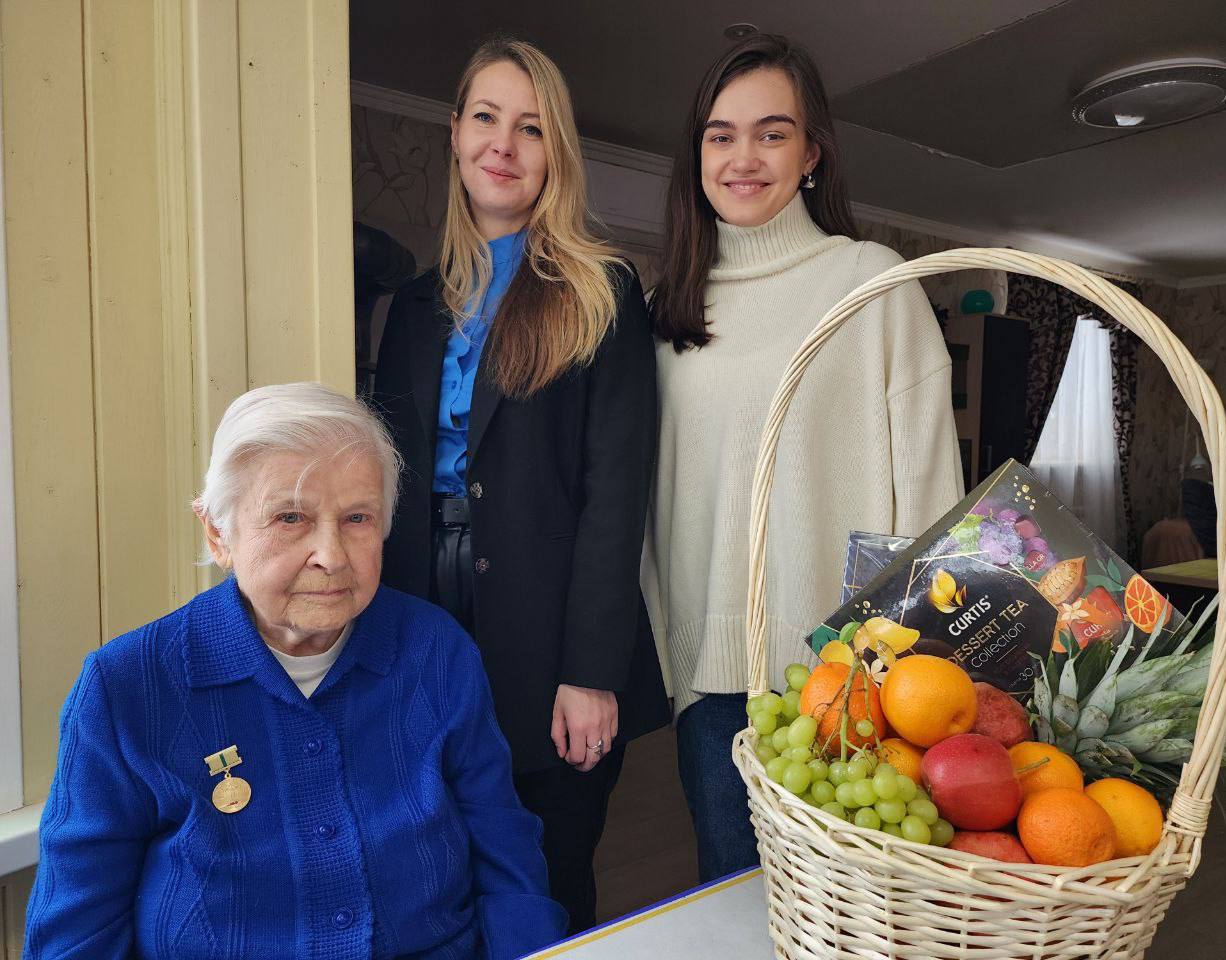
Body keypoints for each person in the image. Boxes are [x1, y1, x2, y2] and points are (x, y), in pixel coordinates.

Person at [23, 382, 566, 959]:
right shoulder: (126, 688)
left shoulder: (436, 651)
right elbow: (74, 935)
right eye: (290, 517)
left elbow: (507, 859)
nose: (331, 556)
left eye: (357, 517)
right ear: (218, 533)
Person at [645, 34, 964, 882]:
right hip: (711, 682)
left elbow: (933, 492)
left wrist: (912, 662)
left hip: (850, 675)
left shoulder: (872, 284)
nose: (743, 157)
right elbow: (650, 502)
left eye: (772, 133)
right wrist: (667, 655)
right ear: (697, 155)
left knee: (853, 916)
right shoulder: (665, 308)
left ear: (812, 152)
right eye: (721, 135)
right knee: (733, 902)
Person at [374, 37, 668, 934]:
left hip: (554, 633)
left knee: (546, 879)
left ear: (556, 154)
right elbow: (388, 487)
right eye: (486, 118)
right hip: (423, 617)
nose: (503, 144)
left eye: (531, 128)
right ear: (455, 132)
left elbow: (616, 496)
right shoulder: (412, 306)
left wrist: (589, 673)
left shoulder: (602, 290)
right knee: (437, 869)